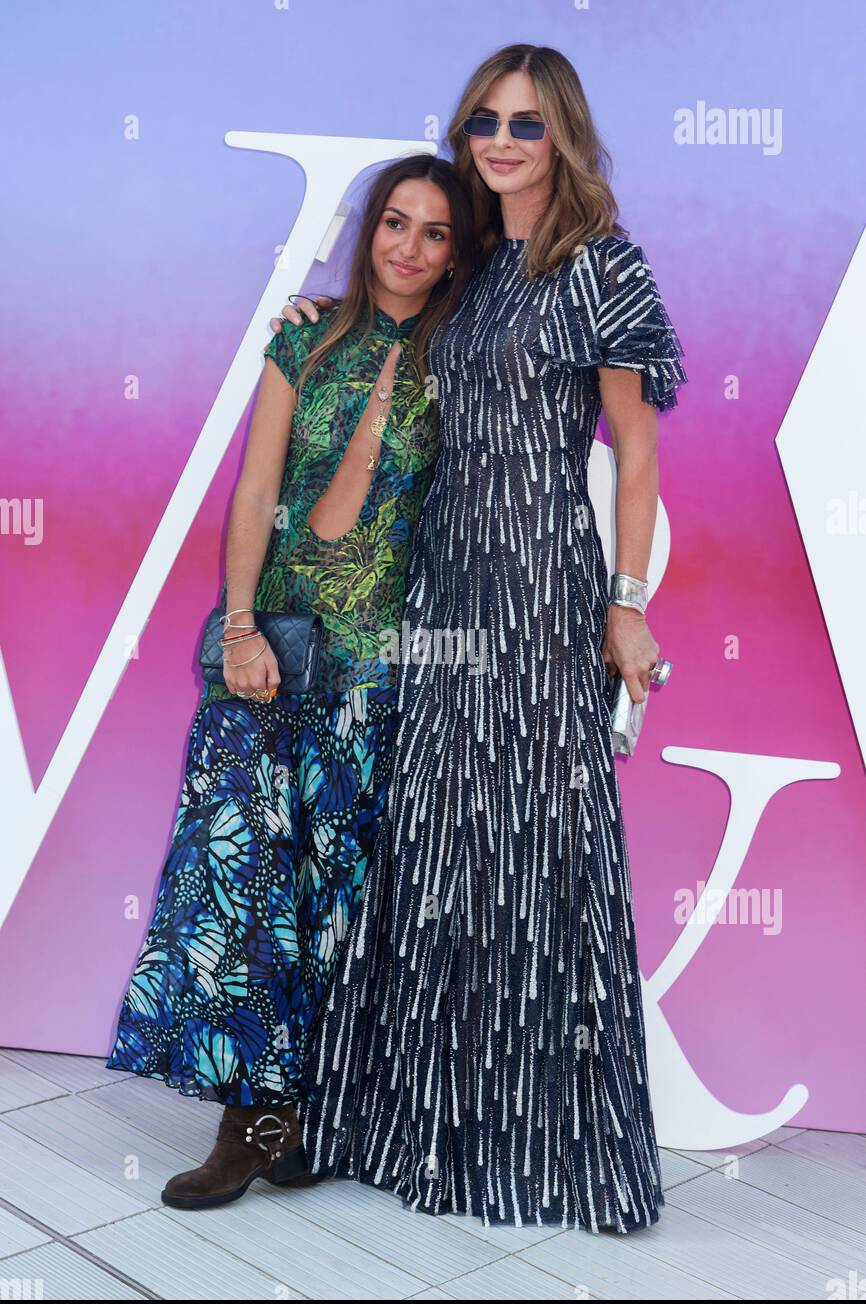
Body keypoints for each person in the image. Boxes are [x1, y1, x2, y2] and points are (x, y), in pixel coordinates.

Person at [280, 45, 688, 1232]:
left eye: (521, 121)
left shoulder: (601, 268)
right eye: (480, 122)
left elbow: (637, 450)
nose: (498, 141)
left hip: (542, 593)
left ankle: (537, 1140)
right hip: (441, 585)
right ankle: (414, 1124)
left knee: (533, 851)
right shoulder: (476, 273)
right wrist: (322, 316)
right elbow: (395, 331)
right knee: (433, 835)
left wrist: (624, 599)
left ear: (558, 130)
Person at [104, 154, 475, 1209]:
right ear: (368, 232)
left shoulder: (463, 363)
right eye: (393, 223)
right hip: (268, 651)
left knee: (334, 898)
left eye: (434, 232)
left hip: (377, 673)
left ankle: (301, 1117)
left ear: (458, 251)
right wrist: (236, 626)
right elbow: (257, 484)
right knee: (237, 886)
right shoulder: (303, 338)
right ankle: (243, 1123)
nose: (406, 246)